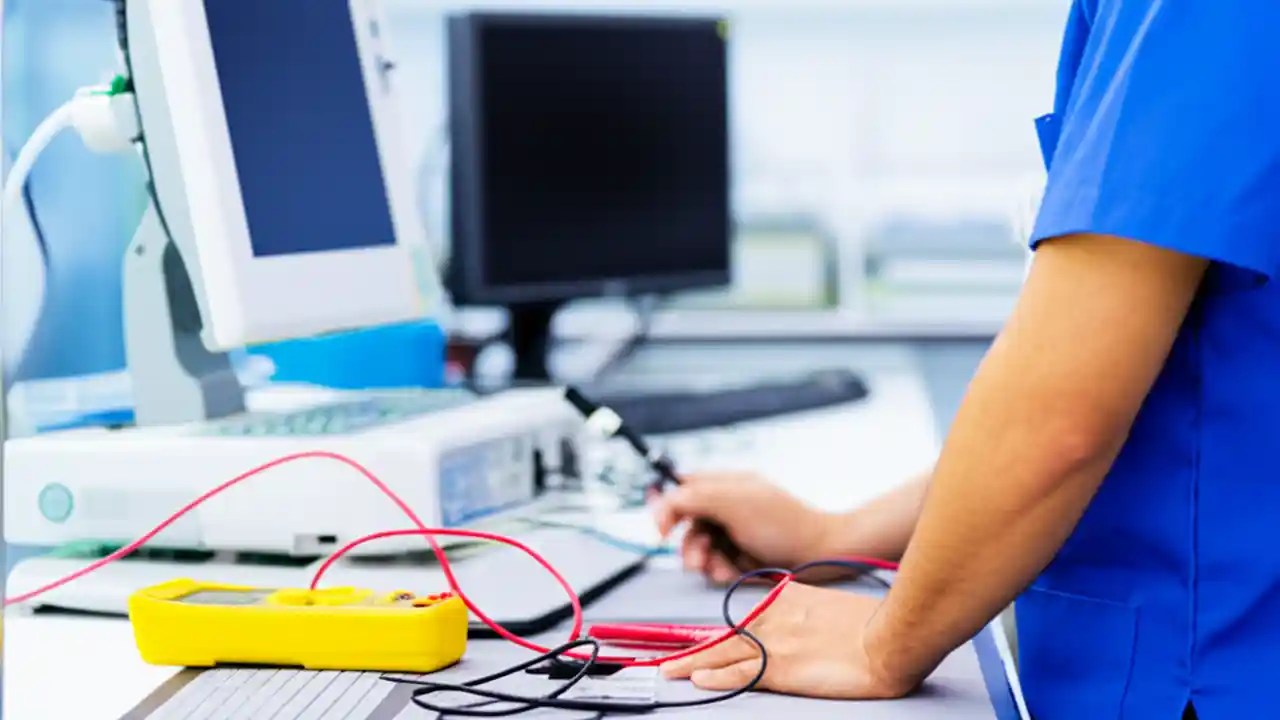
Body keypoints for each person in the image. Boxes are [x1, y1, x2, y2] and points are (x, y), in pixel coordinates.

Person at [651, 3, 1280, 719]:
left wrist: (883, 644)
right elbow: (1154, 401)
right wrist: (837, 537)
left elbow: (1063, 418)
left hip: (1207, 677)